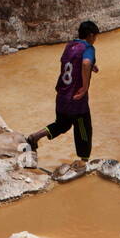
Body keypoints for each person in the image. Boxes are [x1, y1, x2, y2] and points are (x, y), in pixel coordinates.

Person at [25, 20, 100, 163]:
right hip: (77, 101)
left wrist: (92, 65)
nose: (95, 40)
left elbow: (73, 62)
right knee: (84, 130)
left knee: (62, 124)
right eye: (95, 37)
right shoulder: (88, 48)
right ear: (90, 35)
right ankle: (84, 162)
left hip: (62, 96)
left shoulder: (70, 46)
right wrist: (84, 88)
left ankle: (34, 137)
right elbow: (85, 63)